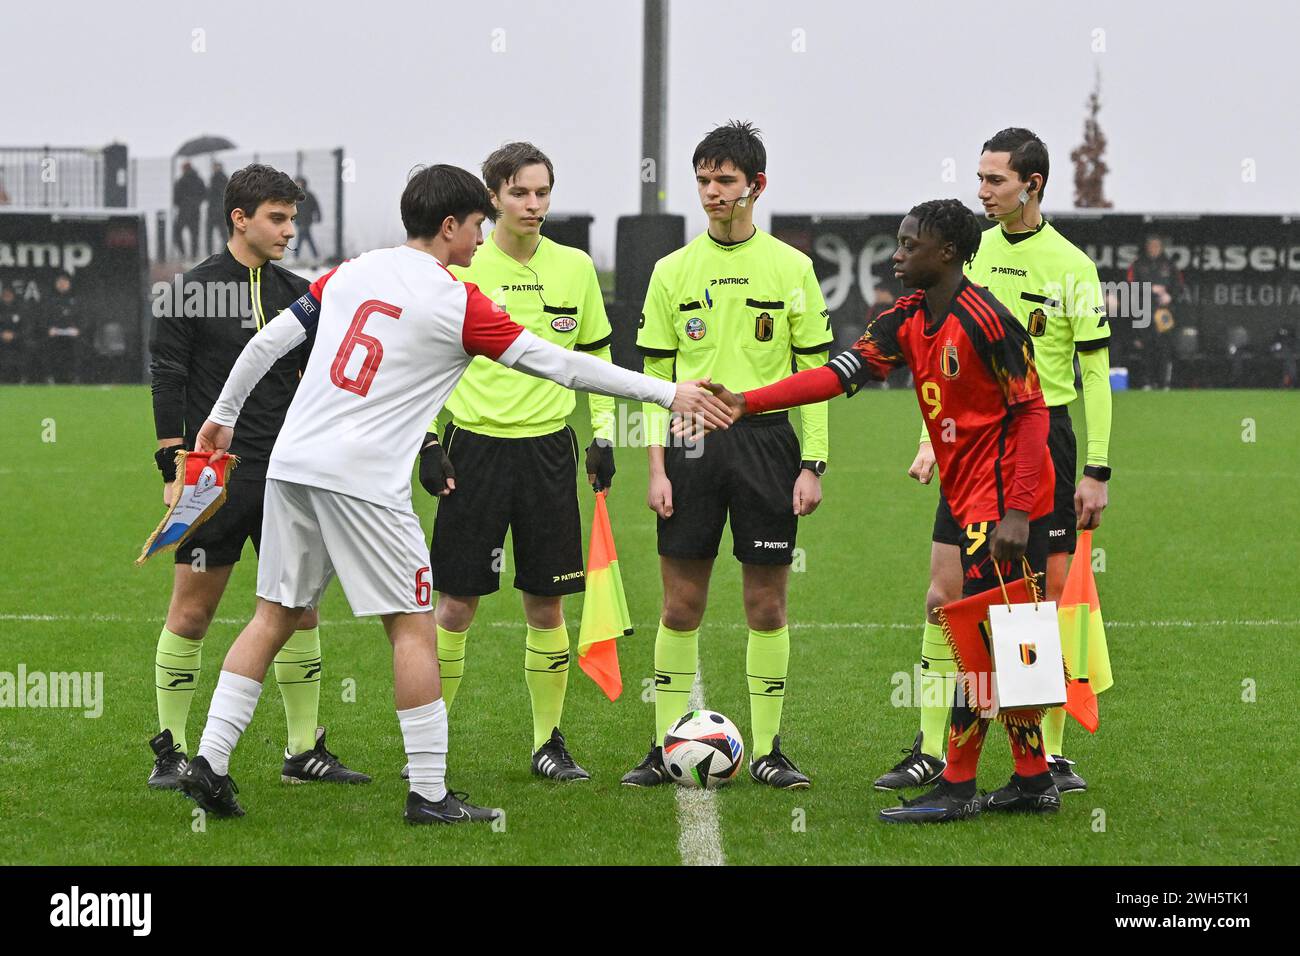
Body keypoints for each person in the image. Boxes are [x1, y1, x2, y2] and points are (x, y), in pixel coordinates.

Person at [178, 164, 732, 823]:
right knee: (413, 628)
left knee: (273, 615)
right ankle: (430, 794)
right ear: (449, 226)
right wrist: (671, 392)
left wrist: (223, 414)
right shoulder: (455, 301)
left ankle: (209, 762)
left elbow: (271, 337)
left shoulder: (352, 271)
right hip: (364, 481)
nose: (481, 237)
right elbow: (561, 363)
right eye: (476, 225)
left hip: (294, 465)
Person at [710, 199, 1059, 821]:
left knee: (988, 642)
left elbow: (1032, 411)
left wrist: (1020, 512)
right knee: (1006, 636)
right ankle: (1033, 779)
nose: (895, 255)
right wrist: (749, 401)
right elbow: (835, 375)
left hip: (1003, 500)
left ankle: (957, 786)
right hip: (964, 493)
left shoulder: (989, 320)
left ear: (946, 252)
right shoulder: (904, 319)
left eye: (908, 245)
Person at [878, 128, 1112, 796]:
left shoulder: (1070, 266)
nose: (981, 192)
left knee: (1034, 606)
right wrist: (933, 439)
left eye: (995, 181)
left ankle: (1047, 759)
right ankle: (930, 748)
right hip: (971, 447)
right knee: (943, 597)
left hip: (1043, 445)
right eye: (979, 179)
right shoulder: (967, 258)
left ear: (1031, 186)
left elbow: (1092, 376)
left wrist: (1097, 468)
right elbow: (948, 361)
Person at [621, 121, 833, 791]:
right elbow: (655, 381)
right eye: (704, 181)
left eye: (726, 182)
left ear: (756, 186)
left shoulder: (792, 269)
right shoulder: (671, 271)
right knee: (680, 605)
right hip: (689, 442)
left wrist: (813, 463)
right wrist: (655, 467)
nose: (713, 193)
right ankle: (662, 747)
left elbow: (817, 373)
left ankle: (769, 749)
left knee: (765, 604)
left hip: (768, 444)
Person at [147, 164, 368, 792]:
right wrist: (173, 464)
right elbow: (167, 375)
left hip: (288, 475)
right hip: (216, 477)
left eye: (293, 218)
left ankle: (303, 749)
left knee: (298, 610)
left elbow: (321, 378)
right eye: (278, 217)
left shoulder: (301, 294)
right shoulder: (186, 291)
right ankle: (172, 751)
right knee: (192, 612)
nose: (289, 230)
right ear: (239, 218)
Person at [419, 142, 614, 781]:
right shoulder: (463, 268)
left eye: (542, 193)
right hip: (471, 450)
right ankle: (432, 745)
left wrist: (603, 437)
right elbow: (419, 363)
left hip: (549, 453)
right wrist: (427, 441)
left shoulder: (576, 267)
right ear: (493, 196)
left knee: (546, 604)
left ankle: (547, 742)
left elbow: (597, 358)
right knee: (456, 605)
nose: (533, 205)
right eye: (520, 193)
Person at [1126, 234, 1183, 389]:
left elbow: (1179, 286)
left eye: (1156, 246)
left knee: (1164, 348)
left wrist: (1169, 296)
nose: (1154, 249)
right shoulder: (1138, 264)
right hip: (1144, 311)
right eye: (1151, 246)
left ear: (1161, 247)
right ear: (1146, 247)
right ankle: (1147, 382)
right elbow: (1130, 286)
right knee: (1146, 348)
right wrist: (1150, 289)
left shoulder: (1169, 265)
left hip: (1164, 313)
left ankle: (1164, 383)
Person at [41, 273, 83, 383]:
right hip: (53, 336)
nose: (62, 284)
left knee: (76, 349)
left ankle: (75, 378)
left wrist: (78, 329)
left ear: (69, 284)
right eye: (59, 282)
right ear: (55, 284)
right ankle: (51, 378)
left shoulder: (77, 299)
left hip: (72, 337)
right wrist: (48, 329)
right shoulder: (48, 300)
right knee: (49, 349)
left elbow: (84, 318)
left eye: (65, 282)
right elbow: (42, 319)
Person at [172, 161, 206, 259]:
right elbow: (204, 194)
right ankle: (193, 255)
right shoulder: (199, 180)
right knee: (194, 234)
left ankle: (183, 253)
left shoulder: (181, 181)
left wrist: (181, 204)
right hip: (195, 211)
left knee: (177, 231)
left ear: (184, 169)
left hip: (183, 211)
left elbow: (176, 198)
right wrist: (197, 202)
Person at [0, 286, 33, 383]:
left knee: (28, 345)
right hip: (1, 339)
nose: (7, 296)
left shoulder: (21, 308)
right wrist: (2, 334)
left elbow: (27, 327)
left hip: (18, 339)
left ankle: (23, 378)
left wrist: (14, 335)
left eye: (9, 294)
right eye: (4, 294)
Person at [206, 161, 229, 257]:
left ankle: (210, 252)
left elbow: (213, 194)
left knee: (211, 232)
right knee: (223, 233)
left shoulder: (216, 178)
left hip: (215, 210)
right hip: (220, 209)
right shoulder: (224, 178)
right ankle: (224, 251)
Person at [294, 177, 321, 260]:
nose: (298, 184)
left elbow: (316, 206)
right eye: (297, 183)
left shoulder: (309, 195)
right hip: (299, 220)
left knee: (302, 237)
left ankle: (296, 256)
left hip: (306, 220)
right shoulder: (295, 195)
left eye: (300, 183)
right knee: (306, 237)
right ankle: (315, 255)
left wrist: (318, 216)